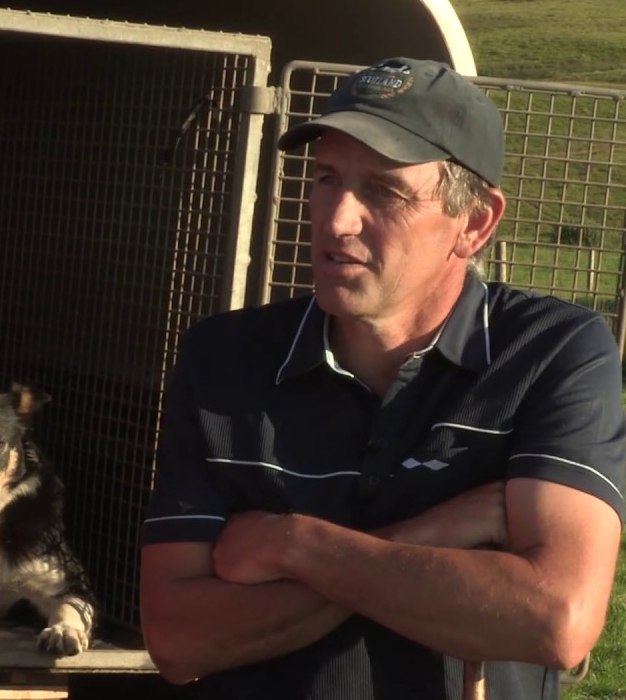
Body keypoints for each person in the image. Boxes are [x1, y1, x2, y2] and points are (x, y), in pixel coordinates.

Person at [140, 57, 625, 699]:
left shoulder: (547, 352)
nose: (336, 220)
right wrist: (430, 535)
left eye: (384, 191)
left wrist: (294, 544)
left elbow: (555, 619)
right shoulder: (226, 358)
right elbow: (177, 639)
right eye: (327, 178)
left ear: (473, 223)